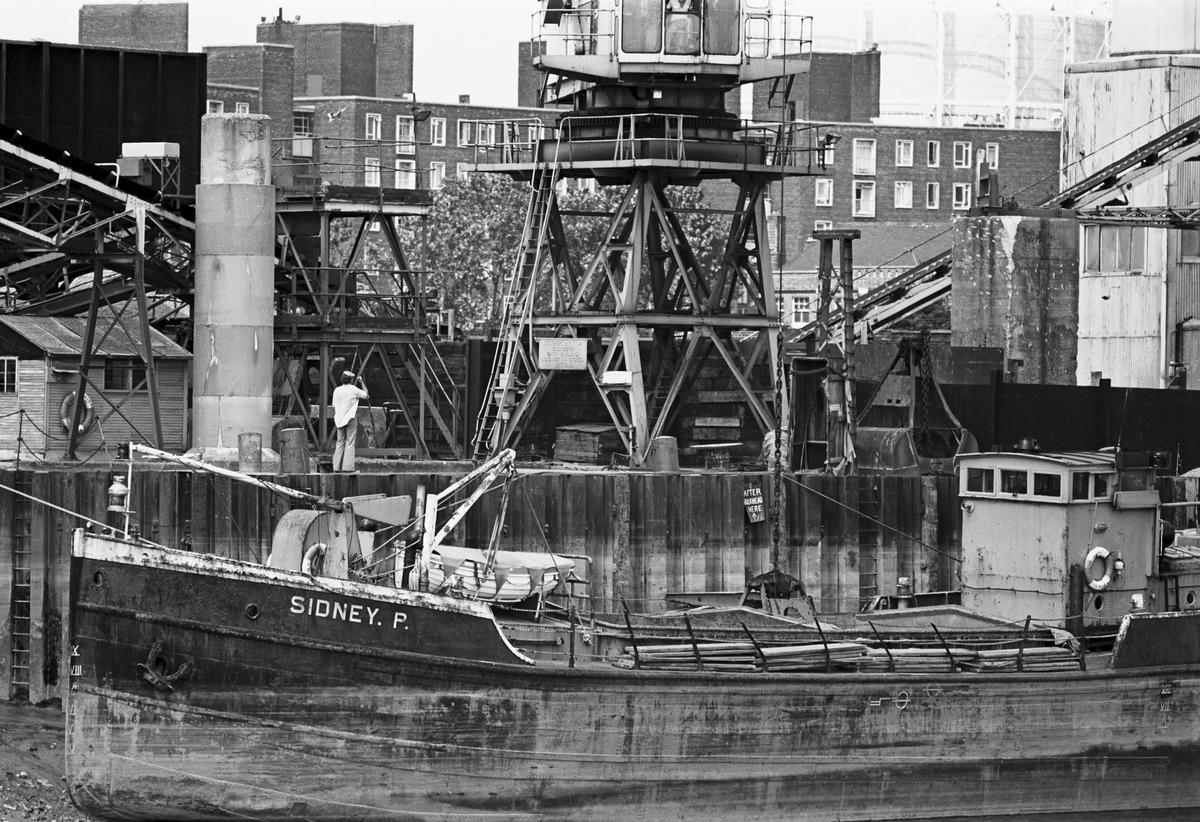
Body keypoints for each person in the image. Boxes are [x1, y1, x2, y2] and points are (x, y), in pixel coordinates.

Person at [332, 370, 368, 472]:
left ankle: (336, 468)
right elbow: (366, 395)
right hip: (350, 419)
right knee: (350, 442)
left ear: (342, 379)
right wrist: (361, 382)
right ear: (351, 380)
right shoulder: (353, 389)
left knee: (340, 443)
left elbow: (334, 405)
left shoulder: (336, 390)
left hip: (339, 420)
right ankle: (348, 468)